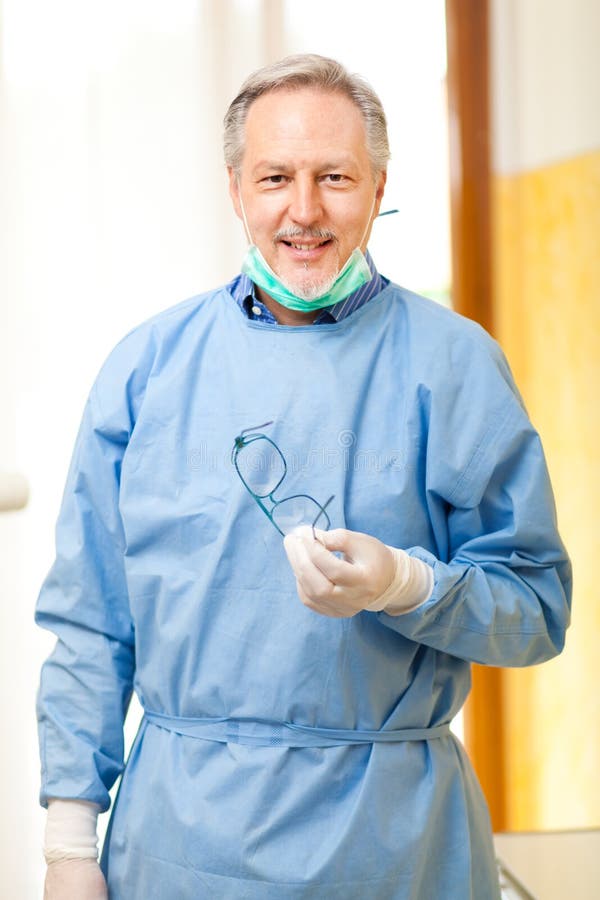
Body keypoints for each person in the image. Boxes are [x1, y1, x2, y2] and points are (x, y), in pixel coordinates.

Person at [37, 54, 571, 899]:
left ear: (379, 183)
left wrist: (406, 585)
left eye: (336, 177)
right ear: (236, 189)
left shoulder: (453, 365)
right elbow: (92, 626)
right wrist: (69, 846)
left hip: (391, 846)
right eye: (276, 177)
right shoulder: (148, 371)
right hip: (184, 844)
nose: (305, 210)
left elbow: (537, 614)